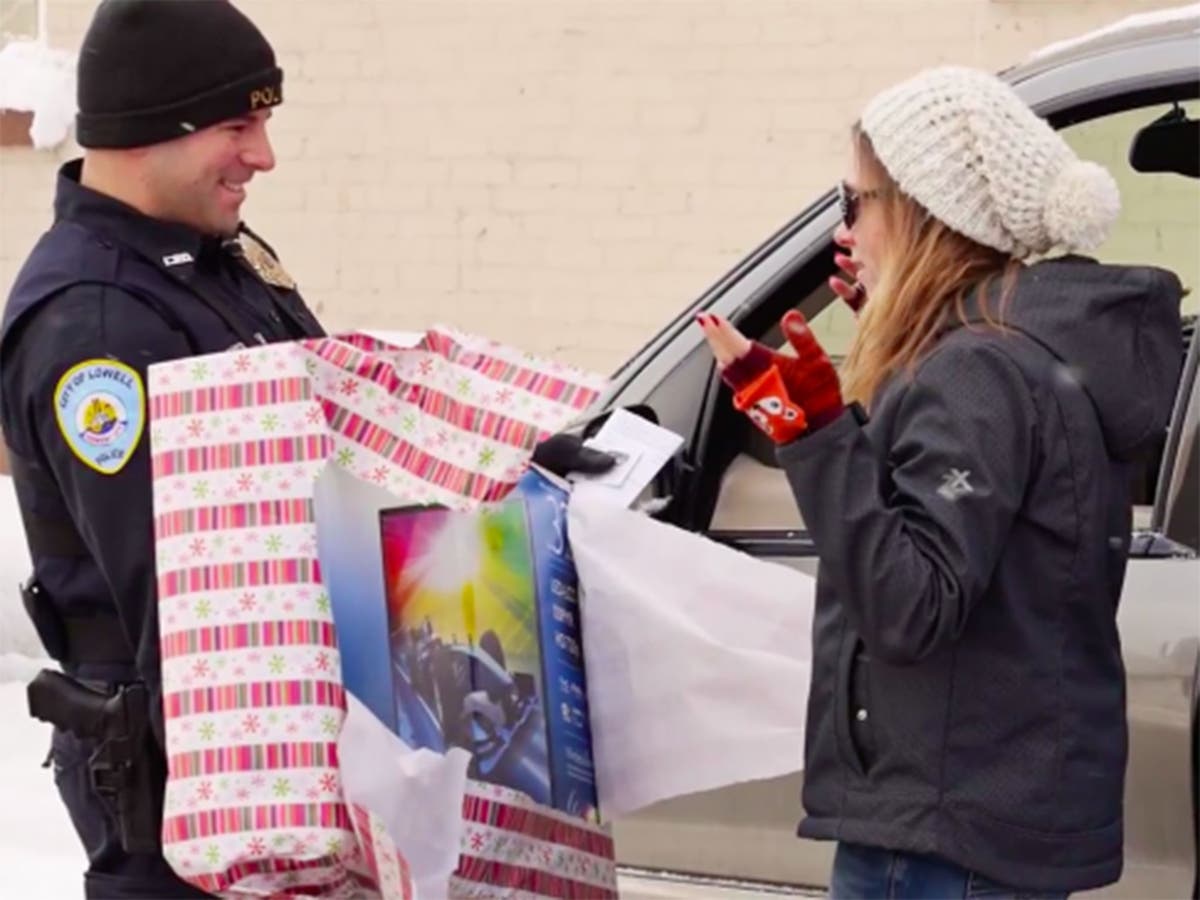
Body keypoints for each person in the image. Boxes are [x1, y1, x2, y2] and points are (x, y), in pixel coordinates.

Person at [0, 3, 609, 897]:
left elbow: (335, 443)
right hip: (203, 805)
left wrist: (513, 459)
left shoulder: (214, 261)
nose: (263, 156)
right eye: (237, 126)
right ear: (145, 128)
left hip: (293, 756)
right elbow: (185, 603)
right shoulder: (99, 326)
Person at [699, 66, 1183, 899]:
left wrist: (813, 431)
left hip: (937, 842)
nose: (844, 230)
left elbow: (908, 604)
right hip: (985, 820)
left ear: (924, 213)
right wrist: (897, 370)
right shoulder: (1012, 360)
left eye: (857, 202)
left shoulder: (977, 374)